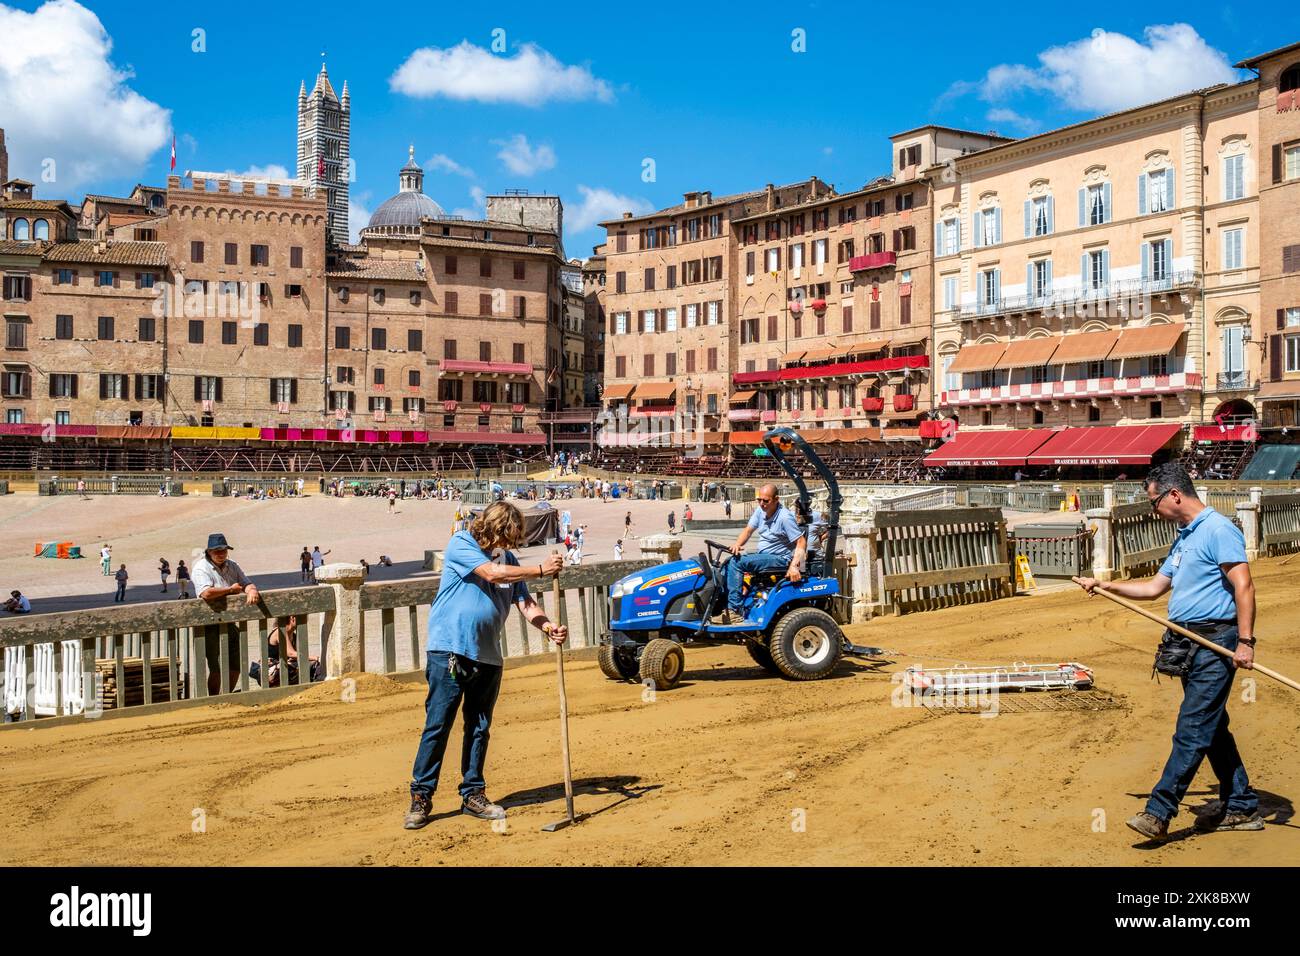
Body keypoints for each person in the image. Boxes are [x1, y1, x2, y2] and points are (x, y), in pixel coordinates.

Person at [1074, 463, 1261, 842]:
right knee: (1212, 727)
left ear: (1174, 495)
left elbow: (1244, 585)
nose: (1153, 509)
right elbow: (1154, 588)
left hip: (1216, 642)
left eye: (1154, 501)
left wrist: (1245, 641)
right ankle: (1241, 805)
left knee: (1192, 728)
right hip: (1186, 643)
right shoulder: (1185, 537)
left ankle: (1160, 811)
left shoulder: (1218, 530)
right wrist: (1104, 585)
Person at [403, 501, 567, 830]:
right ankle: (421, 795)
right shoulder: (462, 543)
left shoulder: (509, 561)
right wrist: (539, 570)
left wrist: (548, 626)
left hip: (488, 655)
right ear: (497, 528)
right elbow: (490, 574)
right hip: (451, 650)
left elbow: (524, 602)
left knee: (479, 726)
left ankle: (473, 792)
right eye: (512, 533)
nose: (516, 540)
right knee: (439, 723)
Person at [714, 484, 806, 625]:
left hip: (780, 559)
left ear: (776, 499)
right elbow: (748, 530)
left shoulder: (785, 517)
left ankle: (735, 611)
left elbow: (801, 542)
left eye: (766, 501)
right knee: (727, 563)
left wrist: (794, 566)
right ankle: (721, 605)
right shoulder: (760, 511)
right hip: (764, 555)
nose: (762, 504)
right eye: (759, 500)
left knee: (737, 563)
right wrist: (737, 544)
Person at [192, 533, 260, 696]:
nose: (221, 554)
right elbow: (206, 593)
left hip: (229, 621)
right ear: (209, 552)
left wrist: (252, 590)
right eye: (217, 551)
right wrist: (230, 590)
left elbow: (246, 582)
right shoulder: (201, 567)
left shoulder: (232, 565)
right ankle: (214, 698)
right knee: (215, 667)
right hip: (209, 624)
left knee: (236, 664)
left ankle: (227, 695)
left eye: (224, 550)